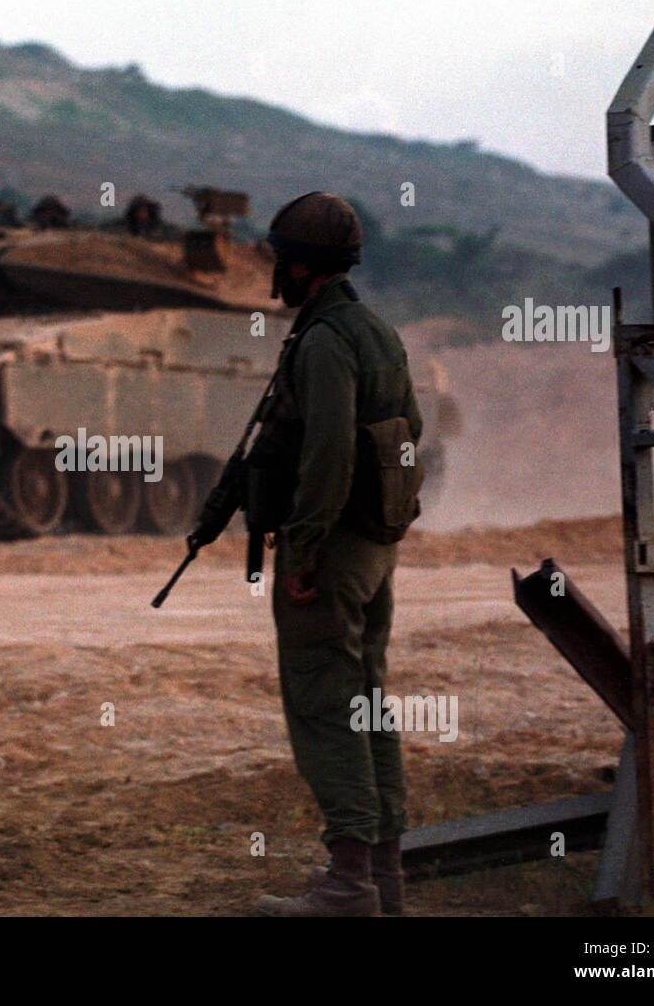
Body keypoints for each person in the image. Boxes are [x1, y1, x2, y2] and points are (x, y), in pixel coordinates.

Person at [252, 192, 423, 917]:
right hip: (374, 545)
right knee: (367, 704)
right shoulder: (377, 331)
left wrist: (305, 552)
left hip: (333, 550)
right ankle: (384, 881)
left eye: (281, 262)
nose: (275, 275)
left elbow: (325, 452)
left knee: (327, 704)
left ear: (300, 265)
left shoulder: (324, 340)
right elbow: (410, 431)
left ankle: (349, 886)